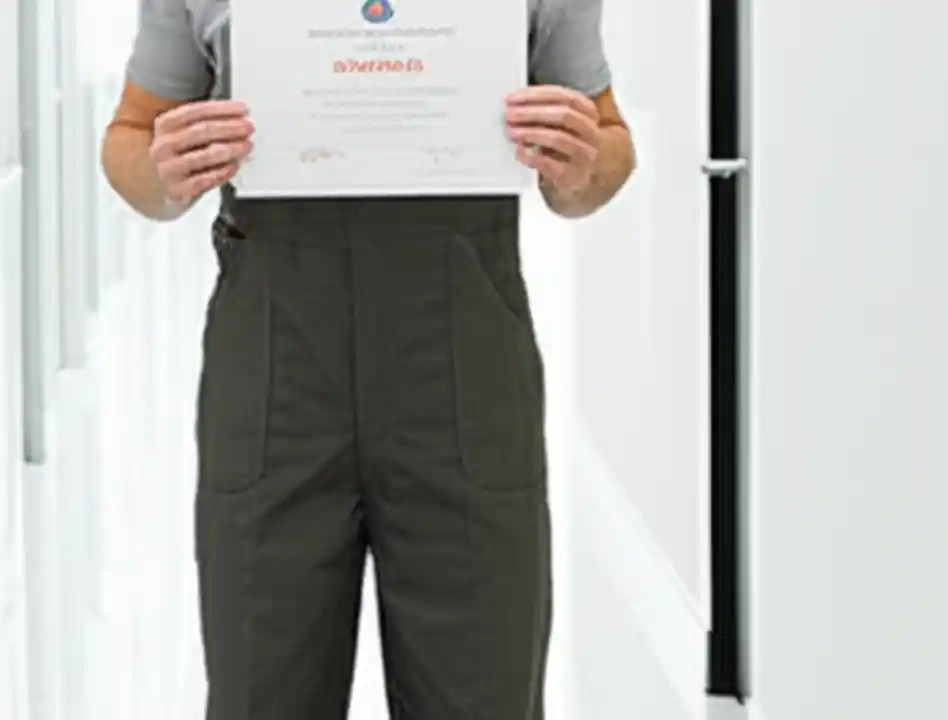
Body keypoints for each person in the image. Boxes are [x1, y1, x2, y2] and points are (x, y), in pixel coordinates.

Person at [101, 1, 635, 717]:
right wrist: (163, 173)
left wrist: (582, 165)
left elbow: (608, 144)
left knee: (481, 692)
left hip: (462, 365)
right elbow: (131, 138)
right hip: (274, 367)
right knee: (264, 689)